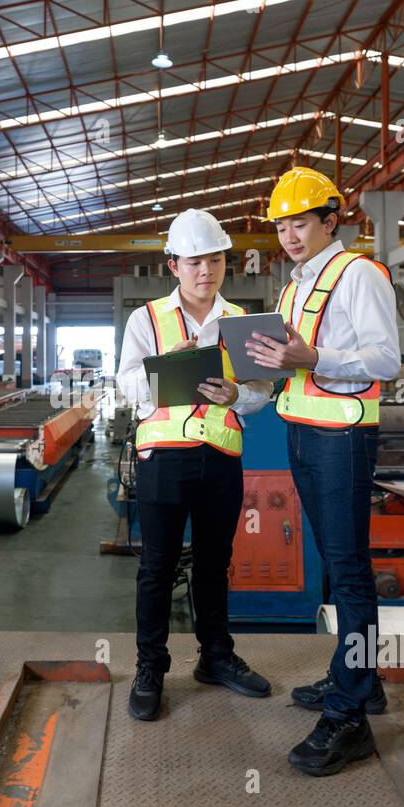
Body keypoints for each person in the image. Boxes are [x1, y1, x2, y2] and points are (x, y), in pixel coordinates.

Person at [243, 168, 401, 775]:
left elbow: (386, 358)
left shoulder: (359, 273)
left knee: (351, 573)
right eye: (281, 226)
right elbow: (289, 365)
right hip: (300, 431)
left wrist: (311, 357)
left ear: (331, 220)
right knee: (336, 567)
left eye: (300, 223)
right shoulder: (292, 286)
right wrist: (251, 370)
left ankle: (350, 717)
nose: (289, 235)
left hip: (343, 439)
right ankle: (362, 681)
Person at [115, 208, 273, 721]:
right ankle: (150, 667)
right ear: (174, 265)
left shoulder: (240, 324)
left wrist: (237, 394)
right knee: (157, 567)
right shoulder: (148, 320)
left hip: (222, 459)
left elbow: (261, 394)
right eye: (195, 261)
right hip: (163, 459)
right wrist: (168, 370)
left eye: (215, 260)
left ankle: (216, 658)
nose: (206, 270)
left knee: (213, 565)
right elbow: (128, 387)